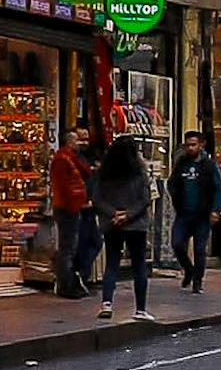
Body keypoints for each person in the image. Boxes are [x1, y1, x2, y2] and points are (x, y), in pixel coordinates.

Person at [92, 127, 154, 321]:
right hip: (136, 224)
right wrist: (128, 215)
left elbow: (96, 198)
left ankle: (107, 303)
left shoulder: (105, 173)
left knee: (111, 264)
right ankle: (140, 309)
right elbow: (145, 199)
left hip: (111, 224)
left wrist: (114, 214)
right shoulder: (139, 172)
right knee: (138, 266)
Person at [167, 128, 221, 294]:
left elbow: (218, 188)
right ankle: (188, 269)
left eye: (193, 145)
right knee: (177, 244)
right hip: (184, 213)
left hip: (202, 214)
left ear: (201, 145)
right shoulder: (181, 163)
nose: (190, 148)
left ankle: (197, 281)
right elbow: (172, 183)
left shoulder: (209, 166)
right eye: (188, 145)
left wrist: (215, 210)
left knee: (200, 249)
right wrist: (176, 198)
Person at [47, 124, 99, 297]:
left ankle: (71, 281)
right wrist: (74, 204)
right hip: (67, 208)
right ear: (69, 142)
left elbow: (84, 173)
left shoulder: (71, 158)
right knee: (67, 247)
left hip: (74, 206)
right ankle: (65, 284)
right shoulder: (62, 159)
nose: (81, 143)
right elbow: (64, 187)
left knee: (72, 246)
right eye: (77, 139)